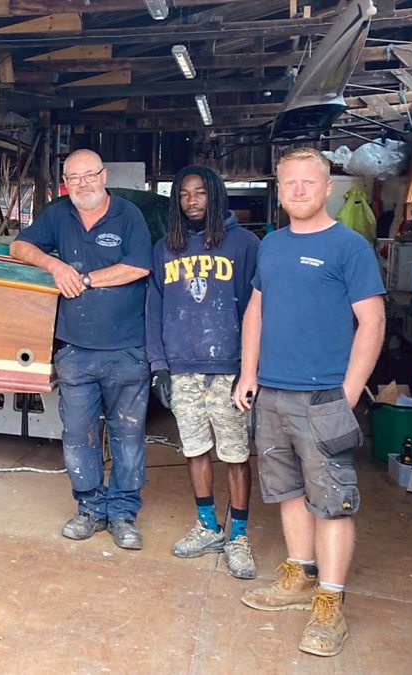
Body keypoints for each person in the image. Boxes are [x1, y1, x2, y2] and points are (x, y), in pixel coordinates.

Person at [233, 147, 385, 657]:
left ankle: (331, 602)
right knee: (288, 492)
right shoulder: (270, 246)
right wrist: (248, 374)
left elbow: (373, 323)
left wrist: (346, 392)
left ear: (327, 189)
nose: (298, 191)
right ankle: (299, 576)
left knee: (332, 501)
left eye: (307, 183)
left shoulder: (350, 248)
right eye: (289, 183)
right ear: (279, 190)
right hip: (272, 393)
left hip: (323, 395)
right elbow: (255, 311)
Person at [10, 149, 153, 550]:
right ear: (65, 182)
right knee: (77, 435)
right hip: (75, 351)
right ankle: (90, 507)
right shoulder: (59, 215)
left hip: (127, 350)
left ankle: (123, 513)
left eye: (89, 175)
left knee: (127, 435)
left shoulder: (128, 216)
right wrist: (55, 266)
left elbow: (139, 266)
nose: (83, 184)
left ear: (104, 176)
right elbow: (18, 248)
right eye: (74, 178)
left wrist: (86, 280)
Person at [146, 165, 260, 579]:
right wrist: (159, 365)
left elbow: (257, 309)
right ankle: (208, 526)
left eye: (199, 193)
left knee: (235, 454)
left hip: (229, 369)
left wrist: (252, 368)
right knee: (194, 449)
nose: (192, 201)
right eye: (183, 194)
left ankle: (239, 535)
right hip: (182, 368)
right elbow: (153, 309)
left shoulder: (245, 244)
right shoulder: (165, 248)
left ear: (215, 196)